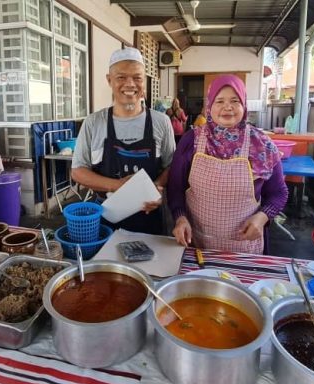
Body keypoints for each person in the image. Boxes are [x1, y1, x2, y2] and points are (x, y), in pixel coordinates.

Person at [167, 74, 288, 254]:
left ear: (244, 105)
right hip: (198, 244)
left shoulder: (261, 144)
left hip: (245, 247)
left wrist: (263, 217)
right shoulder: (191, 140)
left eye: (234, 101)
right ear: (209, 105)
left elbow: (279, 193)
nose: (227, 107)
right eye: (219, 101)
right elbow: (175, 187)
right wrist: (180, 218)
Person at [71, 47, 175, 235]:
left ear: (144, 82)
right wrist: (118, 186)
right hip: (105, 216)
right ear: (109, 80)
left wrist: (158, 187)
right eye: (121, 77)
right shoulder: (94, 122)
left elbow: (171, 166)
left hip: (149, 216)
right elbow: (78, 172)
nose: (130, 84)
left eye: (137, 78)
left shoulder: (161, 122)